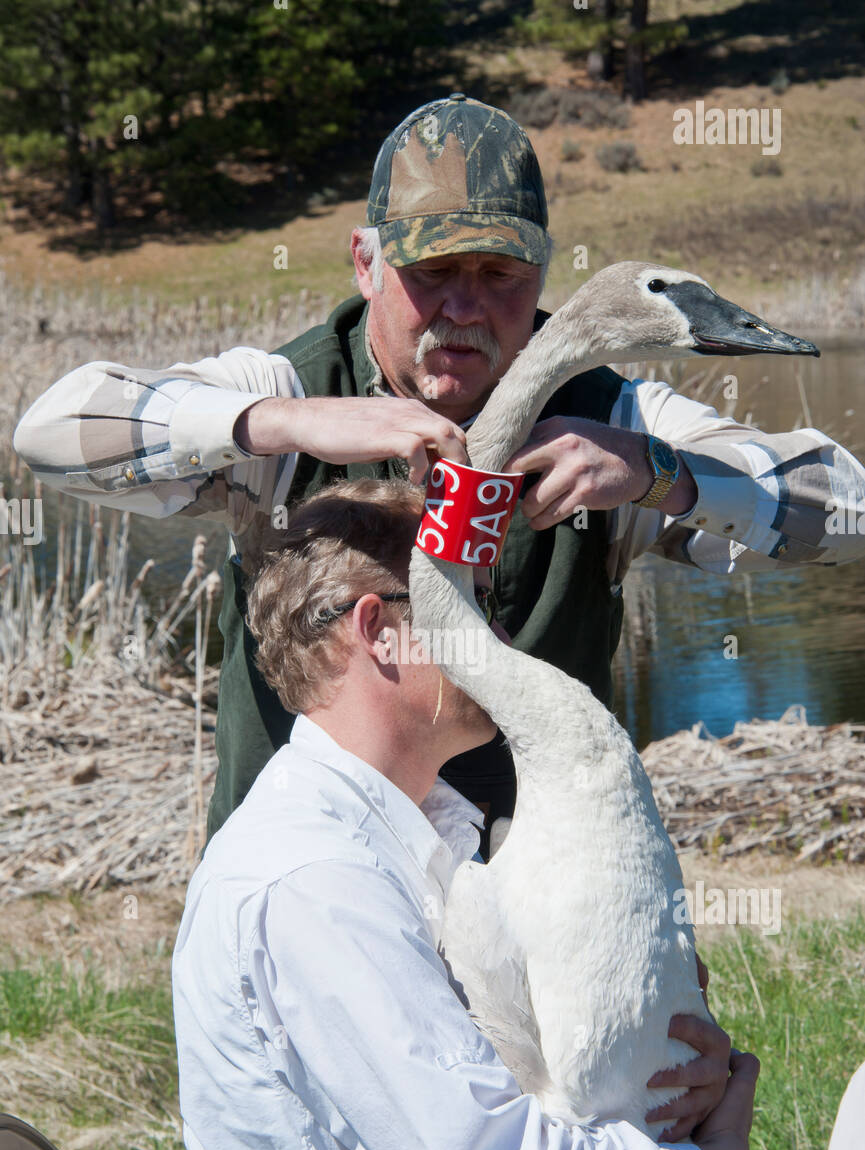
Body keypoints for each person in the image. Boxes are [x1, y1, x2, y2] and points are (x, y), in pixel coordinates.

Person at [13, 93, 865, 854]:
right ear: (364, 262)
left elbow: (849, 515)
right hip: (316, 897)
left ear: (544, 274)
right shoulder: (288, 391)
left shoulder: (614, 427)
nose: (463, 308)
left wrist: (666, 477)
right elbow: (48, 431)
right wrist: (278, 423)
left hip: (532, 917)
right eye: (430, 274)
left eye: (499, 276)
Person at [171, 475, 759, 1150]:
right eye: (469, 605)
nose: (504, 636)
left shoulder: (424, 840)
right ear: (378, 632)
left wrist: (662, 1075)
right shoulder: (318, 881)